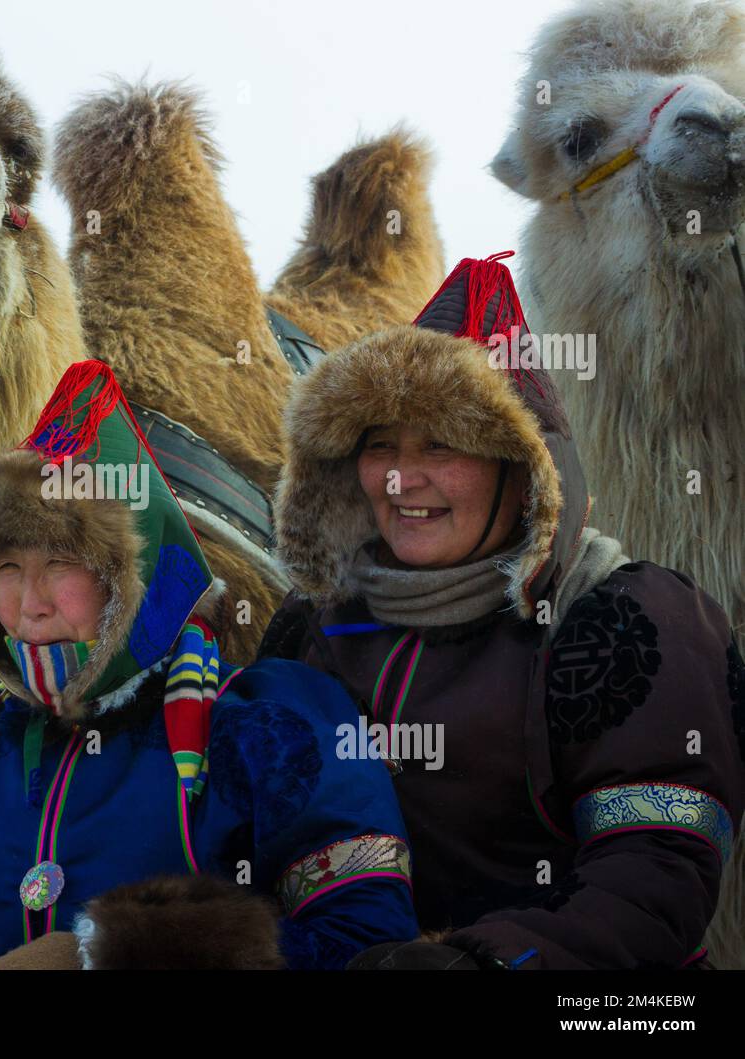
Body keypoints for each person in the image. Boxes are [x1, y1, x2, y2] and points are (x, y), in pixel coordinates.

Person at [260, 252, 745, 969]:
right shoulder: (313, 629)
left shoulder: (623, 620)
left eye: (443, 443)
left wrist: (487, 961)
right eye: (379, 444)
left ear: (524, 467)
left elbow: (654, 874)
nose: (402, 476)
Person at [0, 361, 419, 970]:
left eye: (62, 564)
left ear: (138, 580)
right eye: (7, 568)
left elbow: (364, 941)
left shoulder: (269, 723)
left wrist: (97, 954)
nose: (29, 603)